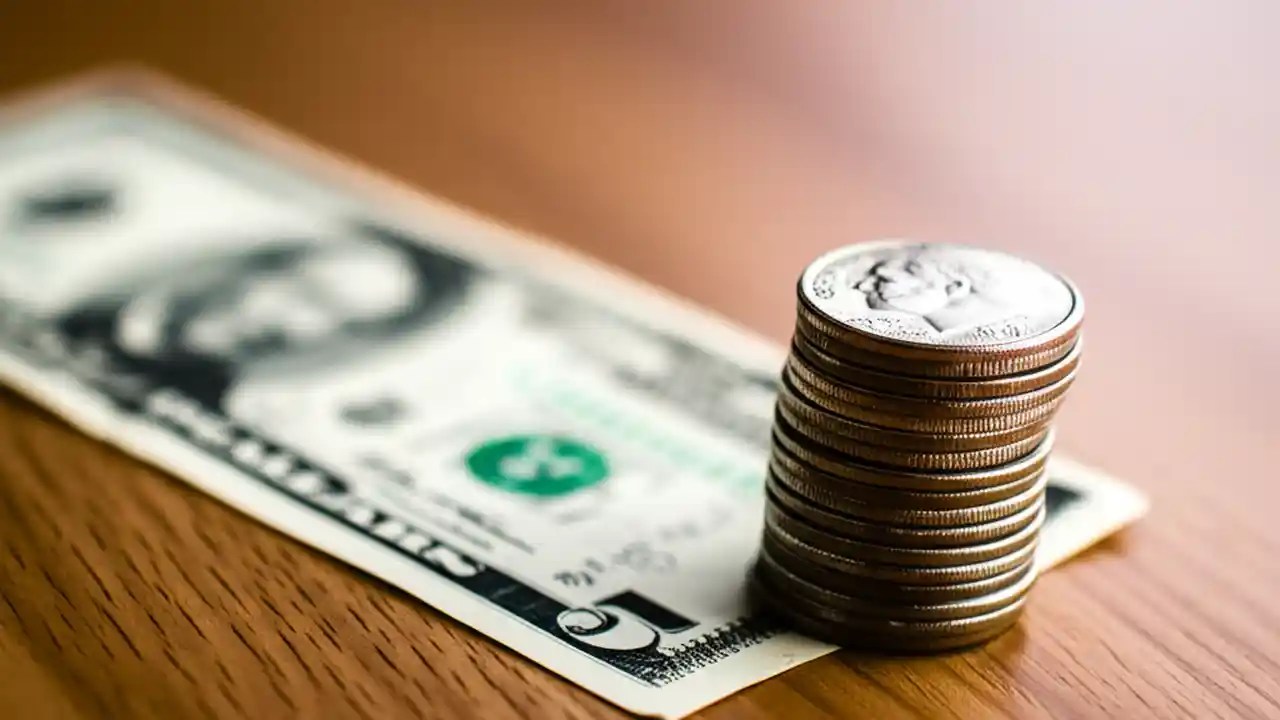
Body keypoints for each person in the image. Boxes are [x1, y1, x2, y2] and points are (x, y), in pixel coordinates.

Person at [57, 222, 475, 409]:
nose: (304, 328)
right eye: (311, 294)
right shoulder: (81, 300)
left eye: (347, 324)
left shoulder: (209, 404)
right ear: (261, 263)